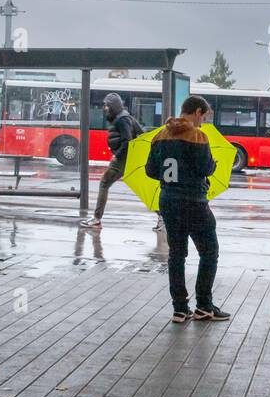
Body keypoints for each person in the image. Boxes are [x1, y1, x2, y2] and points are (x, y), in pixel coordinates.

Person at [146, 95, 229, 323]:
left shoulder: (160, 136)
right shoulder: (197, 136)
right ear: (198, 112)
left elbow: (151, 171)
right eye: (203, 117)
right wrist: (212, 165)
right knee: (209, 252)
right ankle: (204, 305)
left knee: (176, 254)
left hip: (168, 201)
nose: (202, 122)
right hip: (194, 202)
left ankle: (180, 309)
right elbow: (205, 167)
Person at [81, 92, 142, 228]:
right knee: (139, 186)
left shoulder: (122, 120)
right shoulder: (126, 117)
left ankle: (97, 218)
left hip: (121, 159)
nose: (105, 108)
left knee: (104, 183)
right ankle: (161, 216)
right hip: (128, 159)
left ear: (113, 106)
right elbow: (138, 133)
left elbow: (128, 141)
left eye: (107, 105)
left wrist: (117, 155)